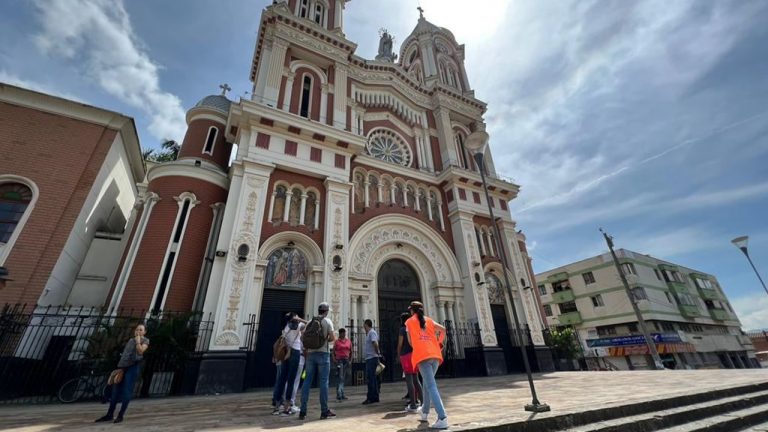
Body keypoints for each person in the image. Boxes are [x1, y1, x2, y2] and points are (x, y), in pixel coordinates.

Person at [95, 324, 149, 424]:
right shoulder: (130, 341)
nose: (138, 331)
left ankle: (120, 415)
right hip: (122, 367)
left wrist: (138, 342)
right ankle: (109, 414)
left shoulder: (145, 341)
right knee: (115, 391)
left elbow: (141, 351)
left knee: (127, 391)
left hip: (133, 367)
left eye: (141, 330)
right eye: (137, 329)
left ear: (144, 332)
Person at [406, 301, 448, 429]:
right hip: (435, 355)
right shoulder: (429, 320)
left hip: (423, 357)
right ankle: (424, 412)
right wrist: (438, 343)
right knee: (426, 383)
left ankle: (442, 417)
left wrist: (420, 346)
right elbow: (443, 330)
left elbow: (410, 341)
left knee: (431, 385)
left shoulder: (409, 322)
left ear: (412, 311)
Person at [299, 302, 337, 420]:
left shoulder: (310, 322)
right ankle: (324, 411)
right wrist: (324, 339)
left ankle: (303, 411)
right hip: (323, 355)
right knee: (324, 382)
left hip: (310, 354)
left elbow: (302, 337)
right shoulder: (327, 321)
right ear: (326, 311)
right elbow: (332, 338)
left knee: (307, 382)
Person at [274, 312, 306, 416]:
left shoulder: (287, 327)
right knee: (291, 380)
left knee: (282, 379)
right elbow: (310, 324)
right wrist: (300, 319)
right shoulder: (298, 325)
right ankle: (287, 407)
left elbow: (283, 339)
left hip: (286, 353)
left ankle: (277, 407)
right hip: (295, 352)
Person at [397, 312, 421, 413]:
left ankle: (413, 404)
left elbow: (400, 344)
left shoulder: (403, 329)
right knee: (416, 379)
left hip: (406, 355)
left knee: (409, 380)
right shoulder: (413, 328)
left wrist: (398, 354)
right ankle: (422, 402)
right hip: (414, 355)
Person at [362, 319, 381, 405]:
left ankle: (371, 397)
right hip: (370, 358)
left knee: (371, 379)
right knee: (372, 378)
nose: (363, 328)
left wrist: (378, 353)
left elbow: (375, 343)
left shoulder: (372, 332)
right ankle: (374, 397)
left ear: (366, 325)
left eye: (364, 326)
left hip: (372, 358)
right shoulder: (369, 333)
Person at [332, 328, 352, 401]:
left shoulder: (348, 341)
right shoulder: (337, 342)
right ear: (340, 334)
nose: (343, 334)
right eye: (342, 333)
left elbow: (351, 351)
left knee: (344, 377)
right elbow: (333, 351)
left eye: (344, 333)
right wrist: (334, 359)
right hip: (339, 361)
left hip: (346, 360)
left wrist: (350, 360)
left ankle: (341, 393)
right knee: (340, 377)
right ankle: (339, 393)